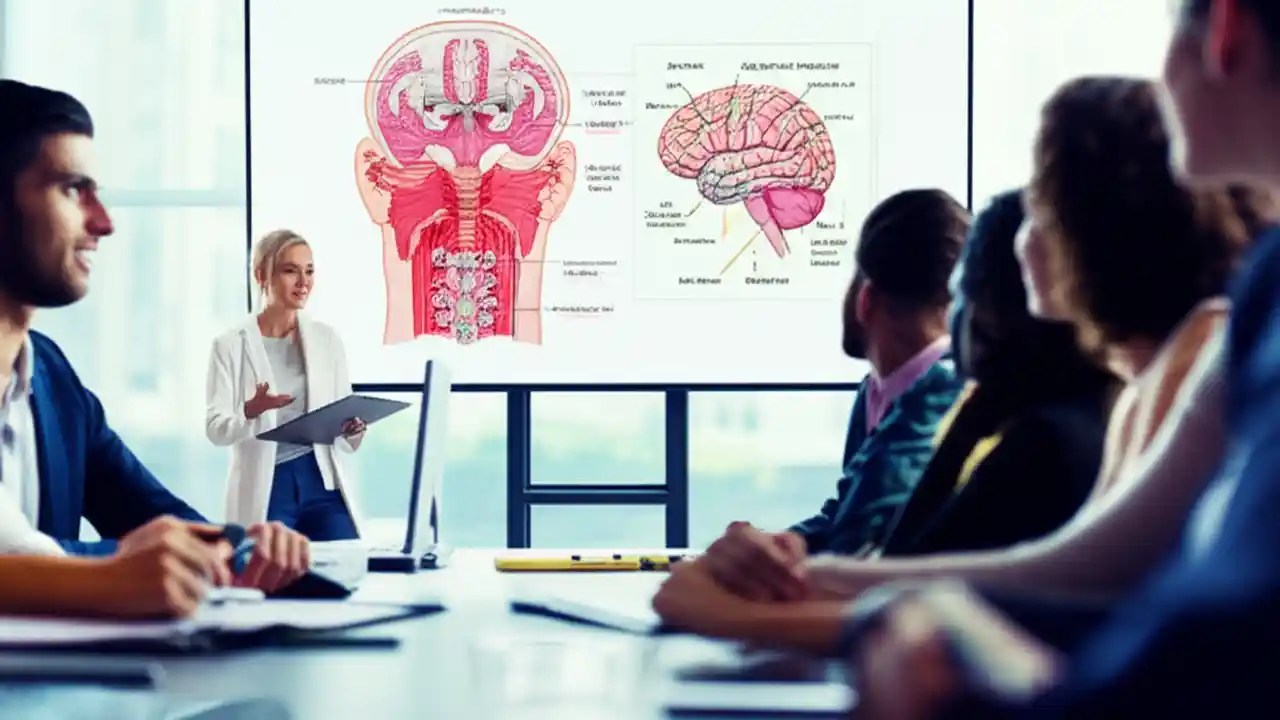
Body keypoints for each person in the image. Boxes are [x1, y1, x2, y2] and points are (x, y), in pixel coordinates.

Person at [651, 76, 1273, 652]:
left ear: (1096, 224)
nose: (1015, 230)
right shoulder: (1149, 385)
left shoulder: (1195, 359)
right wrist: (792, 576)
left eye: (1041, 200)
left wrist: (773, 599)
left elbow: (1073, 583)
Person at [844, 3, 1280, 713]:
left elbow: (1215, 627)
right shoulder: (1255, 295)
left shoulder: (1222, 331)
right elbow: (1114, 583)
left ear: (1226, 29)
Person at [0, 78, 306, 592]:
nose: (104, 222)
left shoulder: (51, 379)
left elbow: (152, 517)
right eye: (73, 189)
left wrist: (248, 545)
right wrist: (129, 562)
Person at [695, 189, 969, 603]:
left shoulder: (940, 393)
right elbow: (843, 513)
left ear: (866, 298)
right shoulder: (881, 388)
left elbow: (858, 549)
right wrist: (783, 546)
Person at [860, 188, 1116, 558]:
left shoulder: (1037, 447)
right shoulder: (1084, 411)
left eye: (959, 293)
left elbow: (908, 569)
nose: (952, 317)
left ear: (989, 318)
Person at [206, 229, 366, 541]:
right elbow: (215, 428)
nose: (303, 282)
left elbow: (344, 429)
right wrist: (251, 411)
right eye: (290, 270)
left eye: (309, 271)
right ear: (260, 274)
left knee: (347, 565)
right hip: (268, 485)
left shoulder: (327, 340)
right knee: (267, 574)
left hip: (321, 480)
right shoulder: (229, 345)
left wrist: (353, 429)